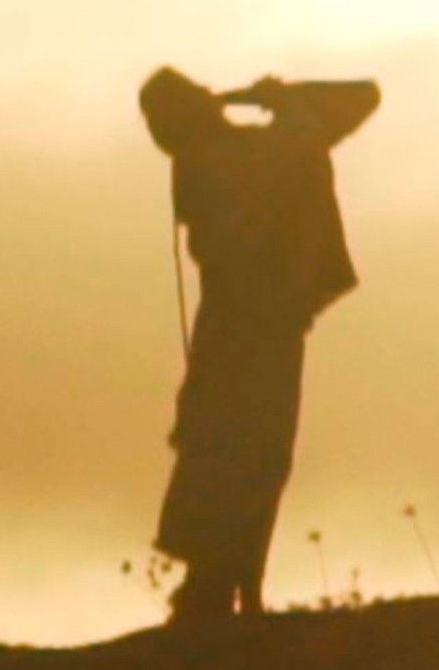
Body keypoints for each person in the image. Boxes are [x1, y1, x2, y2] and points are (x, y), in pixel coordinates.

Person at [138, 66, 380, 625]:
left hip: (252, 322)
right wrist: (280, 102)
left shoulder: (223, 154)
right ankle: (218, 589)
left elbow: (362, 97)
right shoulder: (217, 160)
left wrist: (273, 99)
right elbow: (310, 134)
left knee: (250, 452)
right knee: (242, 450)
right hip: (248, 323)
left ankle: (230, 587)